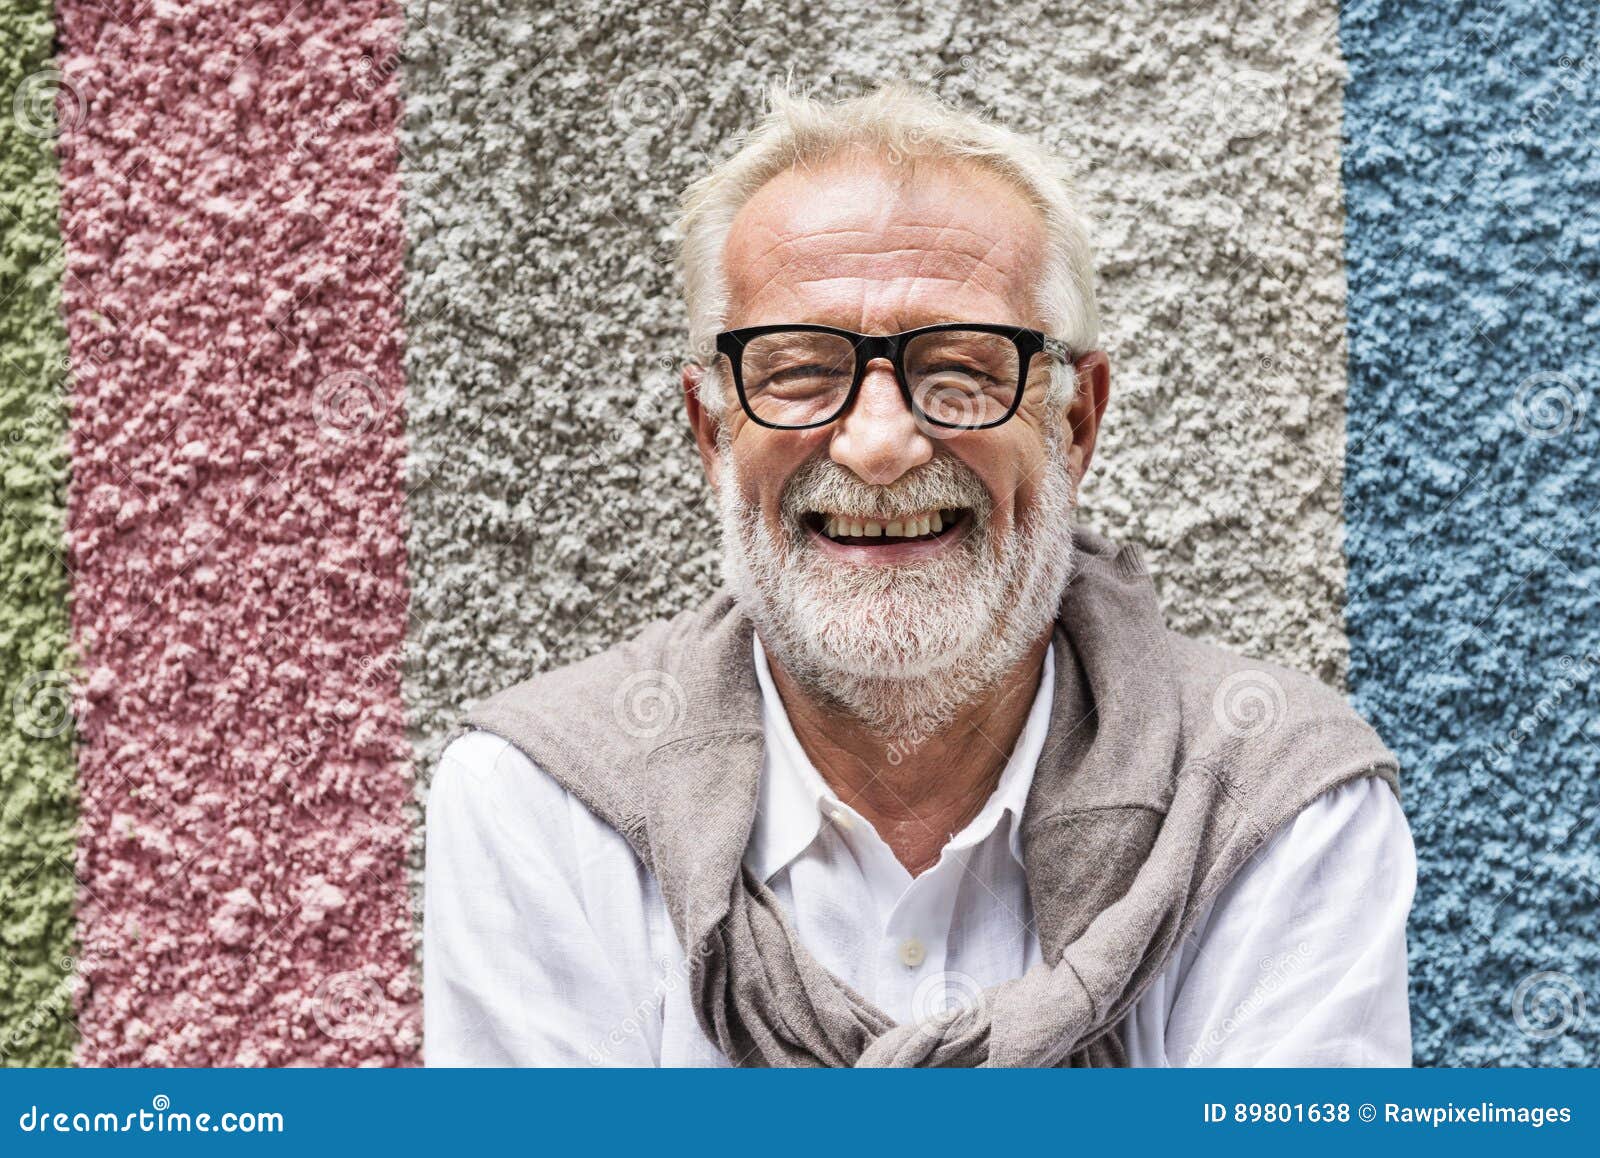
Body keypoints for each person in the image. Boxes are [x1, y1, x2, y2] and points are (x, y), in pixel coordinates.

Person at [423, 82, 1414, 1067]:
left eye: (961, 368)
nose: (881, 444)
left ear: (1074, 425)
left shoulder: (1273, 805)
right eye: (800, 369)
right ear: (713, 434)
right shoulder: (541, 806)